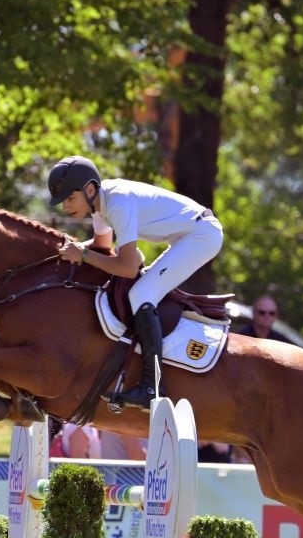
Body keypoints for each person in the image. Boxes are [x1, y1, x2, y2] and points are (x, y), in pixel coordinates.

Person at [49, 156, 224, 411]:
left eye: (69, 198)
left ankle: (152, 387)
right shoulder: (99, 205)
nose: (65, 207)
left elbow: (128, 268)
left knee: (141, 293)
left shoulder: (117, 203)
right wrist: (68, 251)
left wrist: (82, 255)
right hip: (189, 235)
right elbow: (101, 245)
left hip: (202, 236)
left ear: (89, 189)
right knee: (140, 290)